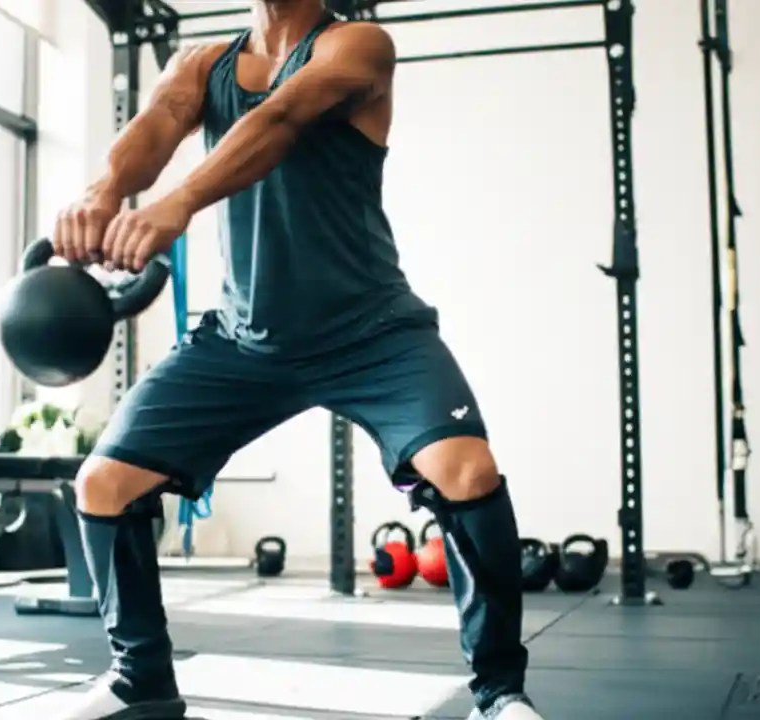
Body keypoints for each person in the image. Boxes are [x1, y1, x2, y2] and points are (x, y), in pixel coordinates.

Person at [52, 1, 540, 718]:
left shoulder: (359, 45)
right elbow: (152, 130)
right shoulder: (203, 66)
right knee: (103, 483)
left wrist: (178, 203)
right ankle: (141, 680)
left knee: (467, 471)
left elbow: (279, 120)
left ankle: (498, 693)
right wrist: (102, 192)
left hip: (372, 332)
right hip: (244, 339)